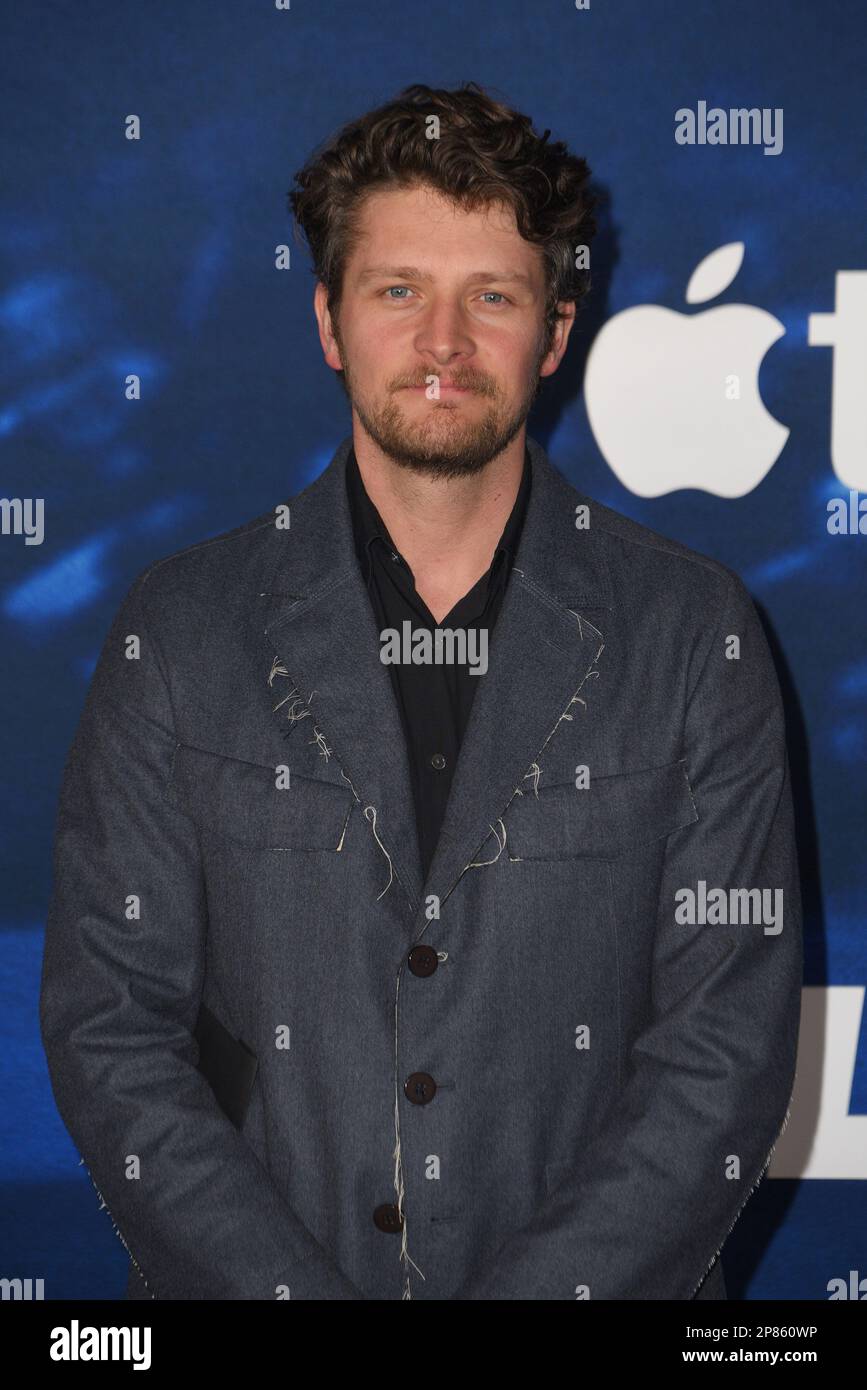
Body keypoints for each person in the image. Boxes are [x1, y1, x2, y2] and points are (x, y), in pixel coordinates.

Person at [40, 81, 802, 1301]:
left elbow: (727, 1046)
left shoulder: (694, 633)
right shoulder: (177, 631)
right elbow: (111, 1025)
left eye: (491, 297)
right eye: (399, 290)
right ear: (330, 320)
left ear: (555, 332)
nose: (443, 342)